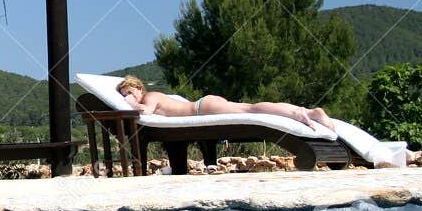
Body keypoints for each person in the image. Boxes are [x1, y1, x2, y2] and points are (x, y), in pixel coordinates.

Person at [116, 75, 336, 132]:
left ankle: (300, 114)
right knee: (252, 107)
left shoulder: (150, 96)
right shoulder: (150, 95)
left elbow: (145, 111)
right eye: (126, 94)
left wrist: (130, 103)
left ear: (139, 88)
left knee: (253, 109)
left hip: (203, 108)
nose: (130, 96)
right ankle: (308, 112)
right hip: (205, 106)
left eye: (130, 92)